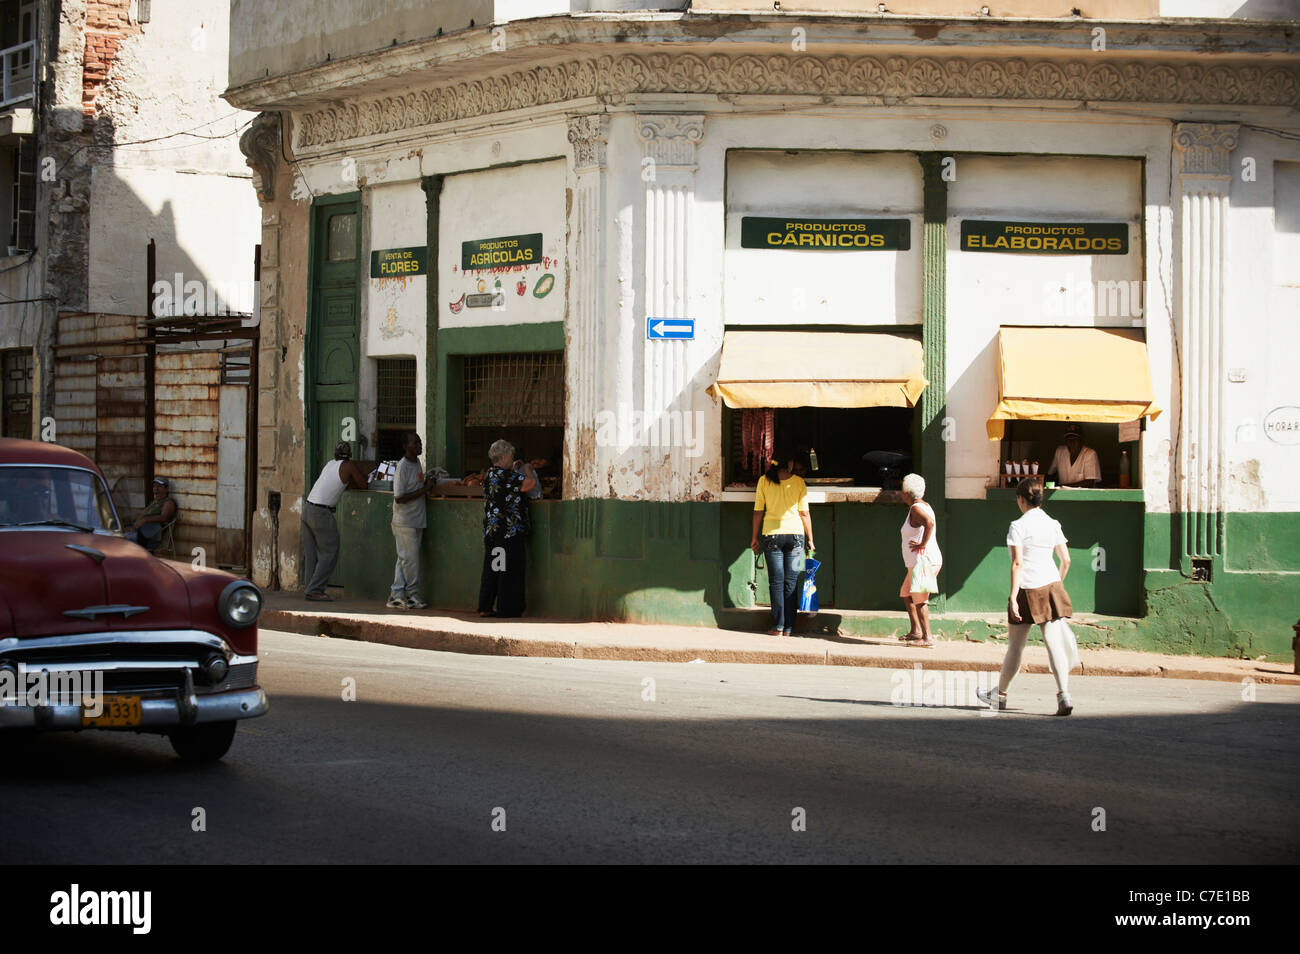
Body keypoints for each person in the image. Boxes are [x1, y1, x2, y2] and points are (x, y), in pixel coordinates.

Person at [977, 478, 1078, 716]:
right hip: (1051, 586)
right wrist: (1056, 585)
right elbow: (1066, 560)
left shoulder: (1018, 526)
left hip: (1026, 588)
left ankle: (999, 696)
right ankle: (1064, 695)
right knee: (1054, 646)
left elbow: (1018, 562)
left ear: (1021, 499)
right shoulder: (1053, 523)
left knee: (1016, 647)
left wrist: (1013, 596)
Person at [750, 451, 814, 637]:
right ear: (790, 463)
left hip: (771, 536)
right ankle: (788, 628)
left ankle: (777, 626)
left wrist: (754, 537)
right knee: (791, 582)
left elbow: (758, 512)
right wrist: (810, 538)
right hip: (796, 537)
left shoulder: (764, 480)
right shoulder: (799, 482)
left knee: (776, 583)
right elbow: (804, 513)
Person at [302, 442, 367, 601]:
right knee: (329, 552)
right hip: (321, 512)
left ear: (335, 454)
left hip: (307, 508)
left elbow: (338, 482)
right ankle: (315, 590)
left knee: (311, 555)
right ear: (349, 454)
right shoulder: (349, 465)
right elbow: (364, 484)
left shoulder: (330, 464)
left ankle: (310, 587)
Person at [478, 439, 535, 618]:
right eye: (511, 456)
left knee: (494, 569)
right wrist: (527, 468)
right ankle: (507, 608)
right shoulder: (505, 475)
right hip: (508, 532)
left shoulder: (490, 474)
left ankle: (486, 606)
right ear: (503, 457)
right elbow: (529, 484)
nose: (512, 459)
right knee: (508, 569)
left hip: (494, 531)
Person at [389, 431, 434, 610]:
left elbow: (415, 488)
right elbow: (399, 497)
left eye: (420, 442)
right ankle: (413, 595)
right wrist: (424, 490)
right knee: (410, 560)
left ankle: (397, 594)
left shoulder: (416, 464)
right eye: (415, 443)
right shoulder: (403, 466)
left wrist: (426, 484)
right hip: (405, 521)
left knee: (405, 559)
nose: (419, 446)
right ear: (405, 446)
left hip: (416, 519)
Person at [898, 473, 942, 647]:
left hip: (922, 562)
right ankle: (916, 631)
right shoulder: (922, 506)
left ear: (907, 493)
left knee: (920, 599)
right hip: (918, 562)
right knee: (906, 593)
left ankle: (927, 637)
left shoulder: (916, 509)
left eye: (902, 490)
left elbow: (929, 523)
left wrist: (922, 544)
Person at [126, 477, 177, 552]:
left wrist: (145, 520)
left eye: (159, 486)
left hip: (149, 535)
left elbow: (163, 517)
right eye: (154, 486)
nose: (156, 489)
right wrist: (124, 518)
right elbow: (142, 513)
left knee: (123, 539)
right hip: (138, 531)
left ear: (166, 489)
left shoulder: (168, 502)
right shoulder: (154, 502)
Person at [1047, 423, 1100, 488]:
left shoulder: (1090, 454)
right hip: (1062, 495)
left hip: (1083, 496)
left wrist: (1064, 487)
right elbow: (1050, 474)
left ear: (1081, 440)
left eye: (1075, 440)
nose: (1072, 443)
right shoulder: (1060, 451)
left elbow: (1089, 482)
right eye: (1069, 440)